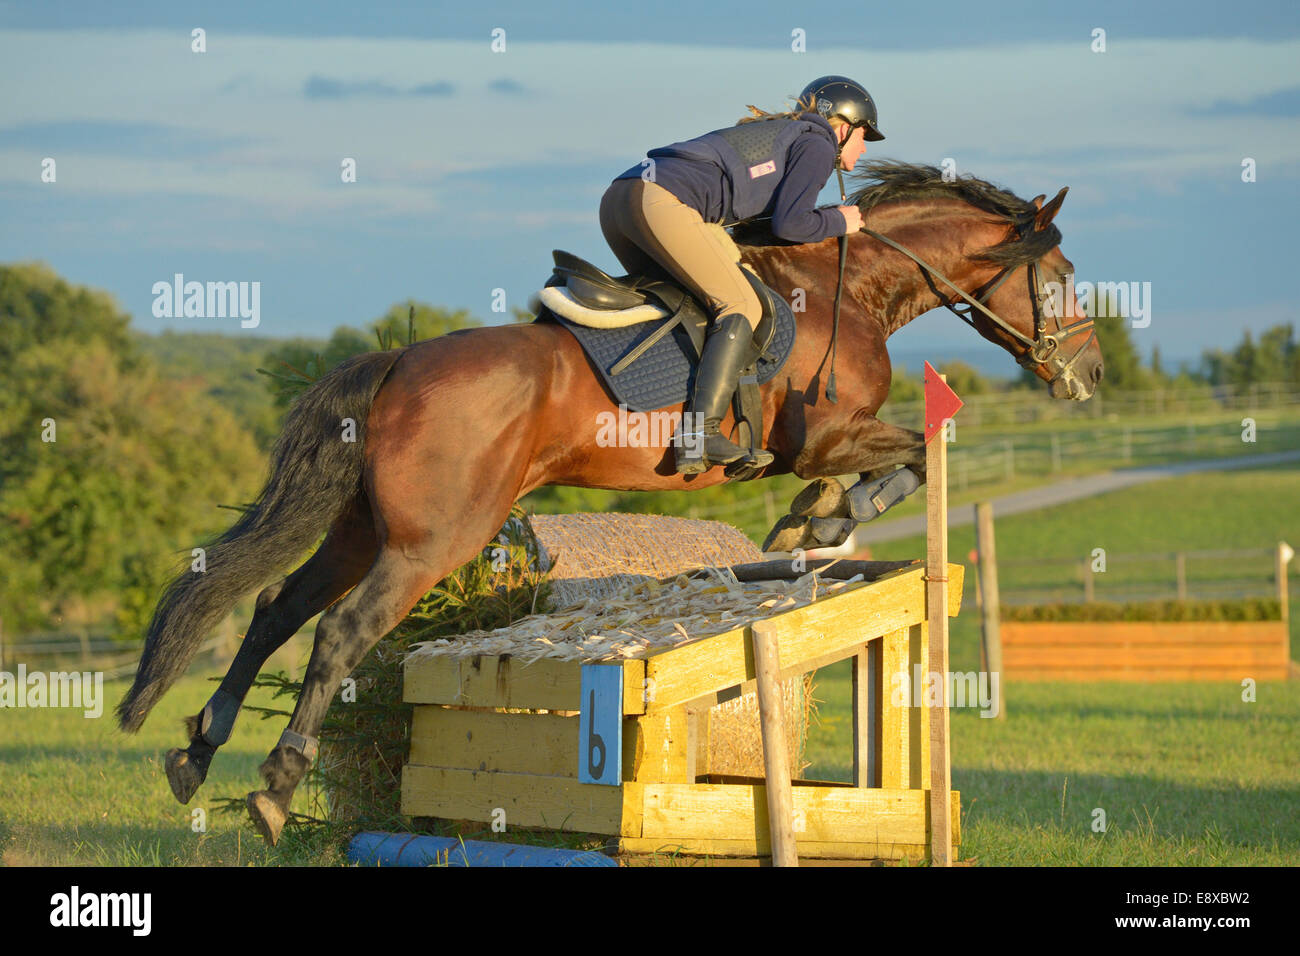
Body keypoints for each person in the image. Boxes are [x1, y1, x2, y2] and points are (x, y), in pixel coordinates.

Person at [601, 75, 885, 475]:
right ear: (842, 126)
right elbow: (792, 223)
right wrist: (839, 221)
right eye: (863, 137)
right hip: (662, 201)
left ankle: (654, 404)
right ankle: (699, 433)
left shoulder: (789, 134)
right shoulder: (818, 142)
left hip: (621, 200)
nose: (862, 149)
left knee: (693, 305)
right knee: (741, 304)